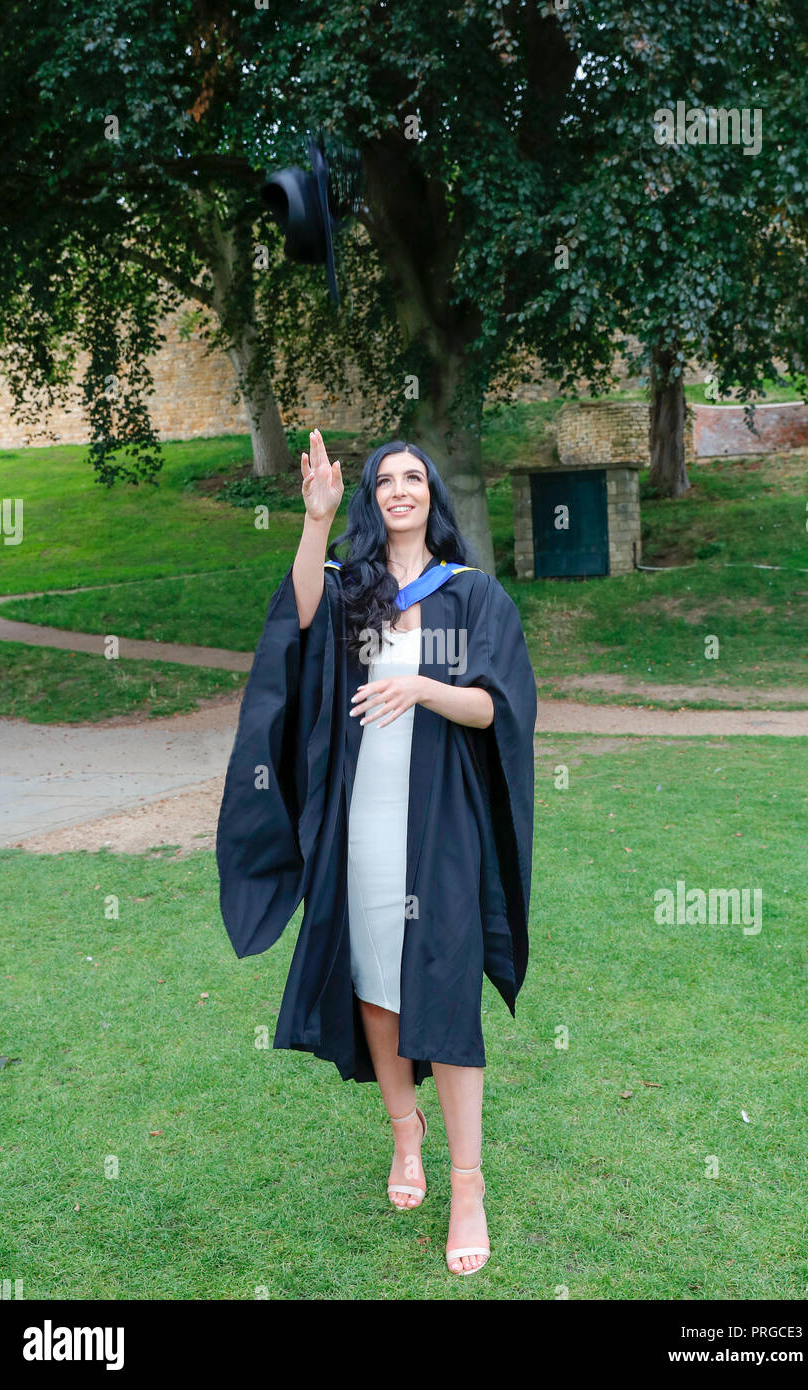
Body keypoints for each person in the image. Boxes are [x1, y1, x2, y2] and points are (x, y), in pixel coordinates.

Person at [216, 427, 537, 1275]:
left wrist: (423, 686)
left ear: (433, 493)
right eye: (385, 480)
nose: (401, 490)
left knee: (446, 982)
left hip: (443, 821)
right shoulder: (352, 589)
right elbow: (298, 622)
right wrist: (315, 519)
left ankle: (466, 1186)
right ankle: (406, 1136)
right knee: (374, 980)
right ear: (372, 497)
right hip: (364, 819)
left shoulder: (472, 596)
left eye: (414, 477)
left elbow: (495, 710)